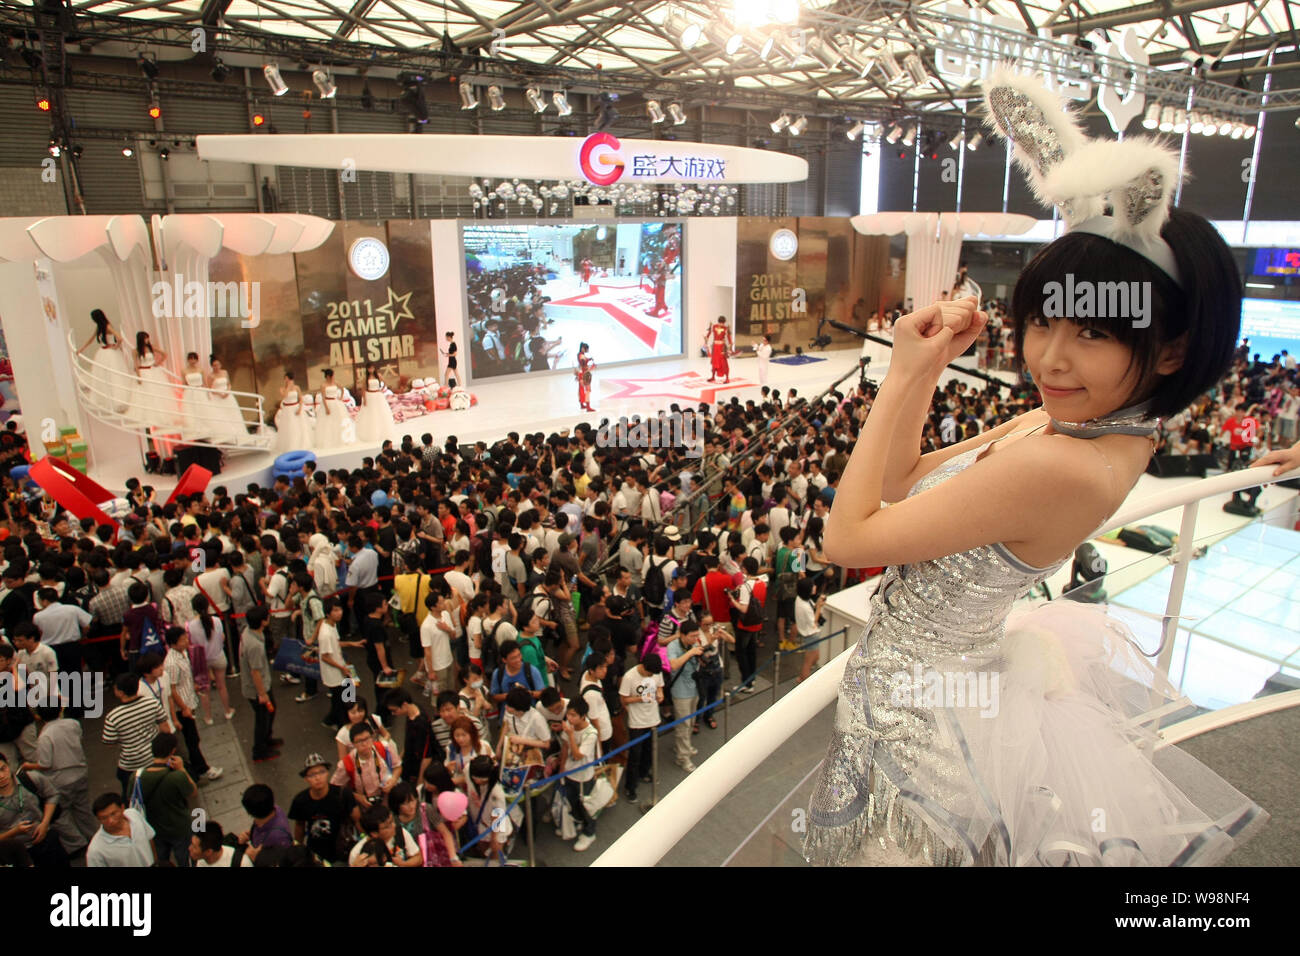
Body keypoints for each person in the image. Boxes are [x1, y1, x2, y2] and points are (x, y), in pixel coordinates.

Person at [802, 68, 1266, 868]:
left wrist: (901, 371)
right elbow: (902, 482)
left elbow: (847, 535)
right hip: (939, 685)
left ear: (1176, 346)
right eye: (1044, 321)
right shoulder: (1090, 427)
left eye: (1093, 334)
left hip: (924, 714)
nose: (1049, 356)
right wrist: (920, 370)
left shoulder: (1062, 463)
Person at [101, 672, 168, 800]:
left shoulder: (113, 717)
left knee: (131, 795)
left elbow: (109, 743)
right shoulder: (152, 703)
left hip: (131, 763)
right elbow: (165, 728)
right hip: (154, 757)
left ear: (120, 692)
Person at [135, 732, 197, 867]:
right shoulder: (176, 776)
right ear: (173, 751)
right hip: (179, 827)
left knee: (160, 861)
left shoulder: (137, 777)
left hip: (154, 829)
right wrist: (182, 769)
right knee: (186, 861)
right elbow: (193, 792)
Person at [289, 753, 356, 866]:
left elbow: (357, 819)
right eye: (312, 775)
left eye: (321, 772)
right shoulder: (300, 801)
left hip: (341, 851)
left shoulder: (342, 794)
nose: (317, 777)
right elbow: (299, 826)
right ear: (306, 778)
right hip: (316, 854)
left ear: (328, 773)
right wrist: (298, 850)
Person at [556, 696, 601, 852]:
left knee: (587, 806)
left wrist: (570, 734)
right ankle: (577, 822)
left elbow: (577, 755)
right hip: (569, 773)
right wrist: (562, 770)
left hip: (584, 776)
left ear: (583, 716)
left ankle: (589, 833)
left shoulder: (591, 733)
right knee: (571, 801)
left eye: (573, 715)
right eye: (568, 714)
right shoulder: (569, 726)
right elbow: (565, 748)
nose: (569, 718)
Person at [617, 653, 664, 803]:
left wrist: (659, 694)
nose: (651, 675)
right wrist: (640, 699)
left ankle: (644, 772)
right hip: (637, 721)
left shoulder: (656, 672)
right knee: (635, 755)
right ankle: (630, 786)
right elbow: (624, 699)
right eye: (649, 673)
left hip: (653, 718)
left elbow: (660, 686)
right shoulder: (629, 677)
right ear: (643, 667)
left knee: (650, 749)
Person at [238, 606, 279, 763]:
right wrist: (262, 694)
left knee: (270, 712)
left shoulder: (249, 631)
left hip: (263, 683)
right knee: (262, 719)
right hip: (257, 689)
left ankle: (267, 739)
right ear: (263, 621)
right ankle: (259, 751)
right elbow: (255, 672)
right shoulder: (254, 645)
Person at [665, 619, 705, 772]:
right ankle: (683, 758)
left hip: (694, 687)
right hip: (680, 691)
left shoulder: (694, 643)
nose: (695, 639)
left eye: (697, 635)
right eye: (692, 636)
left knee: (691, 720)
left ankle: (683, 747)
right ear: (682, 635)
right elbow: (673, 665)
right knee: (684, 724)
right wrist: (691, 652)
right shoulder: (673, 646)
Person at [78, 308, 131, 412]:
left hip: (110, 353)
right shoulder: (99, 327)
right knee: (104, 376)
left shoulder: (107, 326)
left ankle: (118, 401)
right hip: (103, 352)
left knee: (113, 376)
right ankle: (106, 399)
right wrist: (81, 349)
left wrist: (116, 346)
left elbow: (119, 338)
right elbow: (91, 339)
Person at [86, 792, 157, 867]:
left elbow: (149, 839)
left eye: (113, 814)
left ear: (122, 808)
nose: (110, 821)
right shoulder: (96, 850)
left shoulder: (134, 815)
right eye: (104, 818)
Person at [237, 784, 293, 863]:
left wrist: (255, 858)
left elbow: (281, 862)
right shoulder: (274, 808)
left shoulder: (278, 837)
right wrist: (252, 834)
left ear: (250, 813)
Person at [356, 363, 397, 443]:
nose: (371, 370)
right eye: (369, 368)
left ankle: (382, 431)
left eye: (372, 368)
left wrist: (381, 389)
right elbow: (363, 389)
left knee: (381, 412)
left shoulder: (378, 375)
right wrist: (364, 399)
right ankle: (371, 432)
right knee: (371, 413)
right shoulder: (366, 378)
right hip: (370, 396)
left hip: (378, 395)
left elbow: (385, 383)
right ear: (367, 369)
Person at [276, 371, 310, 452]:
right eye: (286, 379)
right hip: (287, 410)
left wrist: (300, 408)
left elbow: (300, 398)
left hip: (296, 407)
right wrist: (288, 387)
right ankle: (291, 445)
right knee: (289, 427)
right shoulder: (282, 389)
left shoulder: (297, 388)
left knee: (299, 426)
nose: (287, 380)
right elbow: (285, 396)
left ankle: (300, 444)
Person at [705, 316, 733, 383]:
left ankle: (727, 378)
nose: (721, 325)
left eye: (722, 323)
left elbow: (729, 338)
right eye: (720, 323)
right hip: (715, 347)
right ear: (718, 322)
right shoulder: (714, 326)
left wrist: (730, 346)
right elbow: (708, 335)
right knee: (714, 362)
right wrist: (706, 340)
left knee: (723, 362)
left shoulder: (726, 328)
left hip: (722, 348)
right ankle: (713, 376)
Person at [575, 342, 596, 412]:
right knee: (587, 390)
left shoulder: (580, 355)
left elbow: (582, 365)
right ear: (583, 348)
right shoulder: (582, 357)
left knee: (581, 389)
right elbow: (584, 366)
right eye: (587, 349)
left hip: (581, 374)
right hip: (584, 374)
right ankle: (588, 406)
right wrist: (592, 367)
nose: (588, 350)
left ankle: (582, 404)